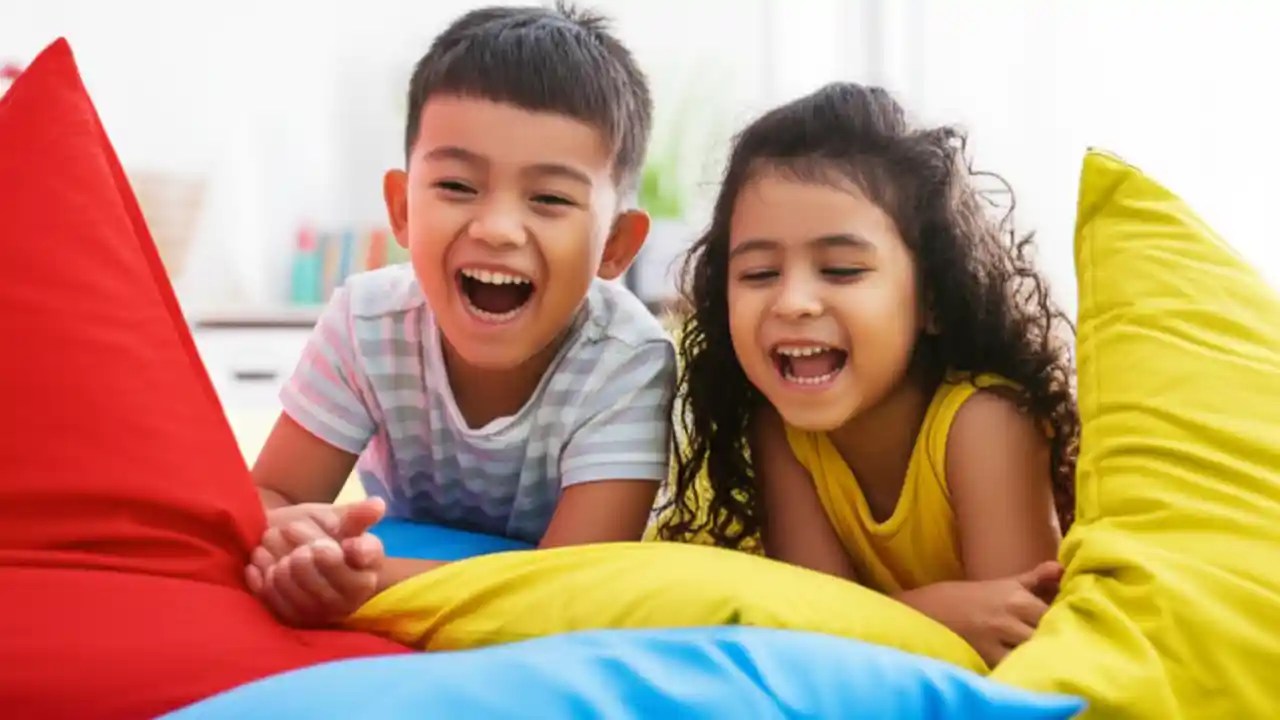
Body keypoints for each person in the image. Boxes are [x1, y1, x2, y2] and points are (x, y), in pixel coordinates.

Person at [246, 2, 675, 628]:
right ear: (401, 207)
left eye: (550, 198)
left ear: (614, 245)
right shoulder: (367, 322)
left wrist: (362, 580)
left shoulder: (628, 359)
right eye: (456, 186)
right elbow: (271, 496)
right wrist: (287, 538)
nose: (498, 229)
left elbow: (575, 583)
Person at [657, 82, 1079, 666]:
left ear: (932, 297)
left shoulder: (985, 423)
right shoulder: (783, 433)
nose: (793, 301)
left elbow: (1023, 631)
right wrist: (931, 613)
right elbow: (816, 627)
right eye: (758, 274)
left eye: (842, 269)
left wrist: (884, 617)